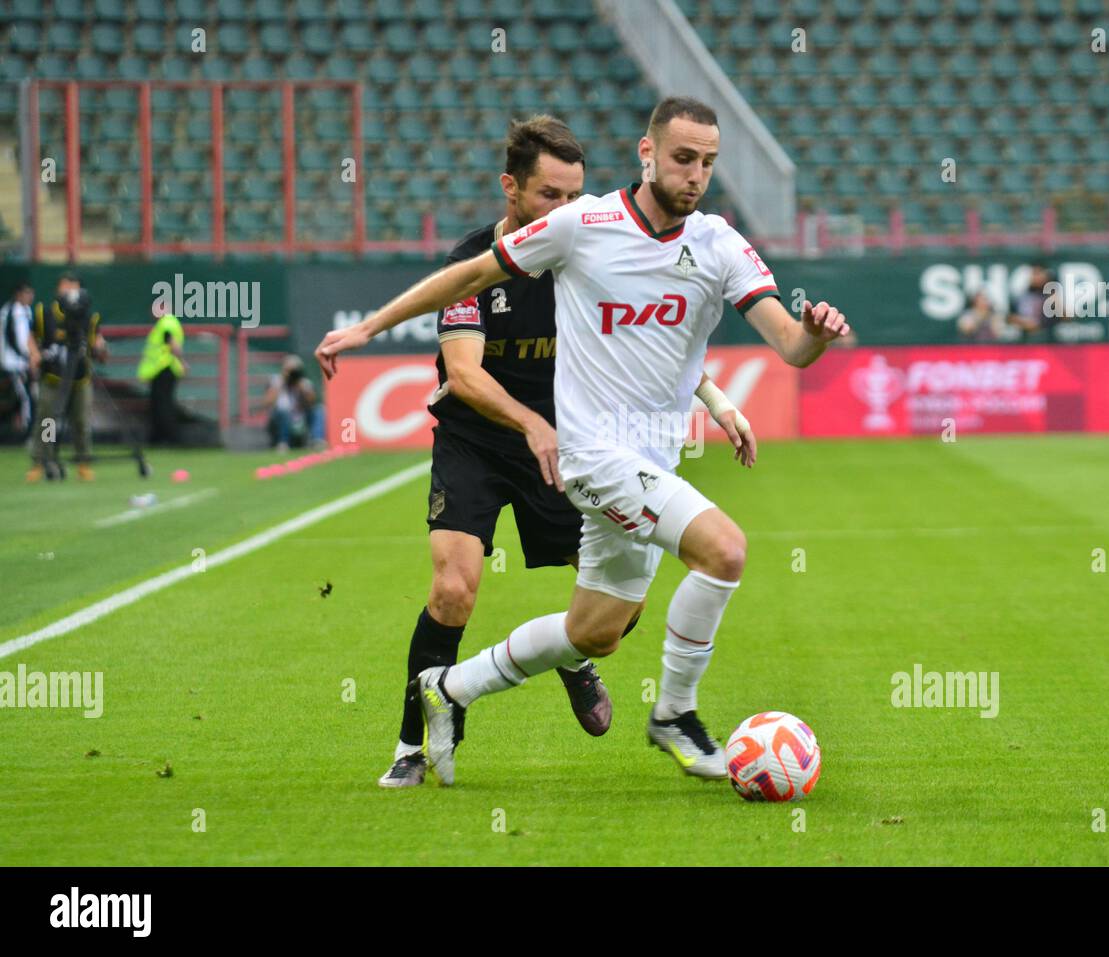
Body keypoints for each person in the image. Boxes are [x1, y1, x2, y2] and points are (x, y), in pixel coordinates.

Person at [317, 96, 848, 786]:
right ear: (647, 153)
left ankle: (449, 688)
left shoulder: (719, 243)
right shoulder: (582, 226)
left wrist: (813, 334)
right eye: (683, 157)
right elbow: (472, 274)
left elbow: (786, 342)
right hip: (587, 453)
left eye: (708, 162)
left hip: (647, 456)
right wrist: (368, 328)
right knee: (724, 549)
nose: (695, 175)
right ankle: (674, 714)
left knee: (596, 629)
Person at [376, 115, 754, 789]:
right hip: (480, 439)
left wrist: (718, 401)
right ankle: (412, 742)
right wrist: (527, 421)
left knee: (612, 619)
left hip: (571, 439)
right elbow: (462, 373)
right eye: (550, 194)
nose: (567, 208)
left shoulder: (583, 247)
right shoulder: (476, 260)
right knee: (454, 585)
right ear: (510, 190)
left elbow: (646, 340)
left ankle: (570, 652)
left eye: (575, 194)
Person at [27, 273, 107, 482]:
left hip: (80, 378)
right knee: (48, 421)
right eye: (66, 285)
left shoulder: (89, 317)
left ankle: (83, 461)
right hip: (53, 377)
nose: (70, 290)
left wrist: (100, 347)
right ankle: (43, 461)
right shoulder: (44, 313)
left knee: (80, 421)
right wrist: (34, 354)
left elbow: (98, 341)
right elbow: (31, 336)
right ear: (58, 289)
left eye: (74, 286)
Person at [136, 302, 186, 444]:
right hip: (161, 369)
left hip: (164, 369)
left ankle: (171, 438)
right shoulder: (168, 322)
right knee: (159, 404)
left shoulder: (166, 323)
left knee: (163, 406)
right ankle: (158, 437)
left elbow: (173, 344)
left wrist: (182, 362)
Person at [257, 355, 325, 452]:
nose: (292, 374)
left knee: (320, 409)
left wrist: (301, 387)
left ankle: (317, 441)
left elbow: (312, 403)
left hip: (301, 418)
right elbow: (267, 402)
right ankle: (283, 443)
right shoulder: (276, 381)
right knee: (283, 411)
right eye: (289, 371)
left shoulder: (304, 383)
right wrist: (282, 382)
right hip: (280, 420)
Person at [0, 281, 35, 438]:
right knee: (24, 396)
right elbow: (15, 340)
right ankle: (27, 432)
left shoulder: (26, 310)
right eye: (26, 293)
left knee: (21, 397)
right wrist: (27, 357)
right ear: (18, 295)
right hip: (13, 362)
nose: (30, 297)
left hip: (21, 361)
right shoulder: (12, 312)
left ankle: (25, 430)